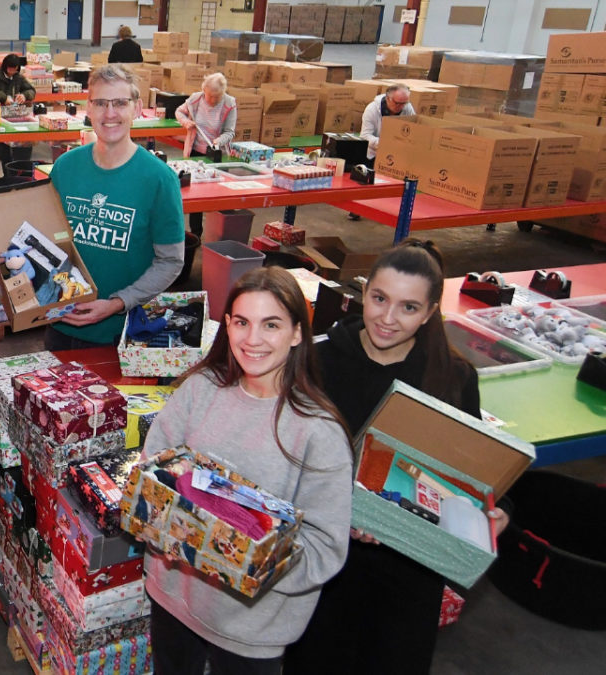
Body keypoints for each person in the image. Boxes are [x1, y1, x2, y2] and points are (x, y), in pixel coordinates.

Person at [284, 239, 507, 675]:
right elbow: (287, 455)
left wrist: (493, 515)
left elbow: (471, 472)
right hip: (327, 562)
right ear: (363, 293)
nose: (387, 318)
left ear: (429, 313)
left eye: (408, 308)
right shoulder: (317, 360)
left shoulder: (452, 377)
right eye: (380, 298)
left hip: (409, 574)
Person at [142, 266, 353, 674]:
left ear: (296, 333)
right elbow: (155, 471)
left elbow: (325, 547)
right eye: (241, 322)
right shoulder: (201, 389)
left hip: (251, 629)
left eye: (270, 324)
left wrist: (245, 565)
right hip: (173, 599)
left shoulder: (318, 434)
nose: (252, 340)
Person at [36, 64, 185, 351]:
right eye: (101, 103)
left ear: (138, 108)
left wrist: (118, 302)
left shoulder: (159, 179)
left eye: (120, 103)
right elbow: (44, 239)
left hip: (123, 334)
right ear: (88, 108)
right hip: (61, 325)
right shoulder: (66, 167)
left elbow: (170, 261)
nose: (110, 113)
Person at [175, 72, 237, 237]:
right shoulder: (195, 99)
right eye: (209, 96)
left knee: (221, 194)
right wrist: (187, 123)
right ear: (204, 91)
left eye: (217, 96)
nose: (212, 100)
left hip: (217, 154)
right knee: (197, 194)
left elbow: (230, 132)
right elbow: (179, 112)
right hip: (195, 152)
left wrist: (218, 141)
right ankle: (196, 234)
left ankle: (224, 233)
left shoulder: (229, 104)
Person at [351, 83, 414, 220]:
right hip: (373, 151)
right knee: (366, 178)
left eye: (404, 103)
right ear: (388, 98)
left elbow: (414, 130)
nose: (401, 107)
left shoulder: (407, 108)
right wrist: (386, 145)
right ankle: (356, 208)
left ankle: (396, 210)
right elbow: (365, 136)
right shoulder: (372, 109)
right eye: (398, 103)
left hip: (398, 151)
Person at [0, 53, 37, 177]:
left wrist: (24, 95)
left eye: (15, 68)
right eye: (10, 68)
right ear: (5, 66)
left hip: (10, 116)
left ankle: (9, 177)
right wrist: (3, 97)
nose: (12, 71)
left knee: (8, 153)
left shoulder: (18, 78)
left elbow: (32, 90)